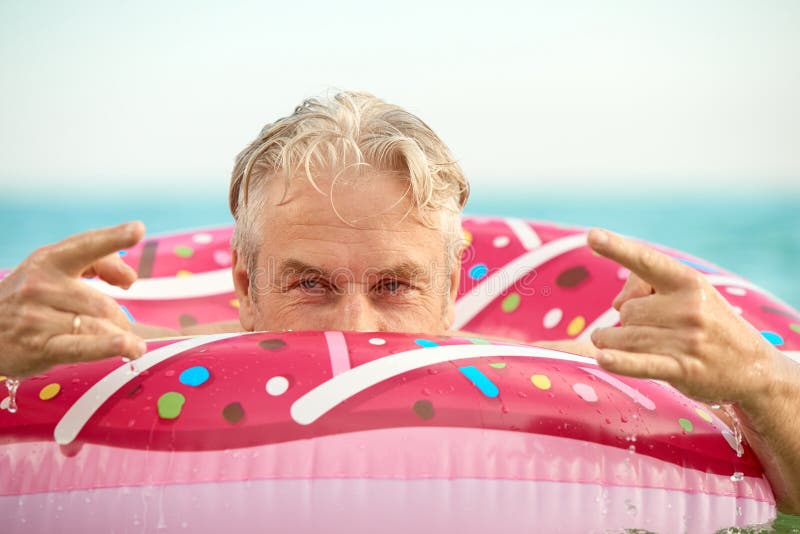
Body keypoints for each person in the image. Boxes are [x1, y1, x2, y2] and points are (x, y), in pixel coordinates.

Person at [0, 92, 798, 513]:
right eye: (310, 283)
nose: (356, 330)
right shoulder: (127, 374)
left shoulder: (582, 372)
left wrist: (757, 378)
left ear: (452, 287)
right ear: (243, 289)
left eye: (395, 286)